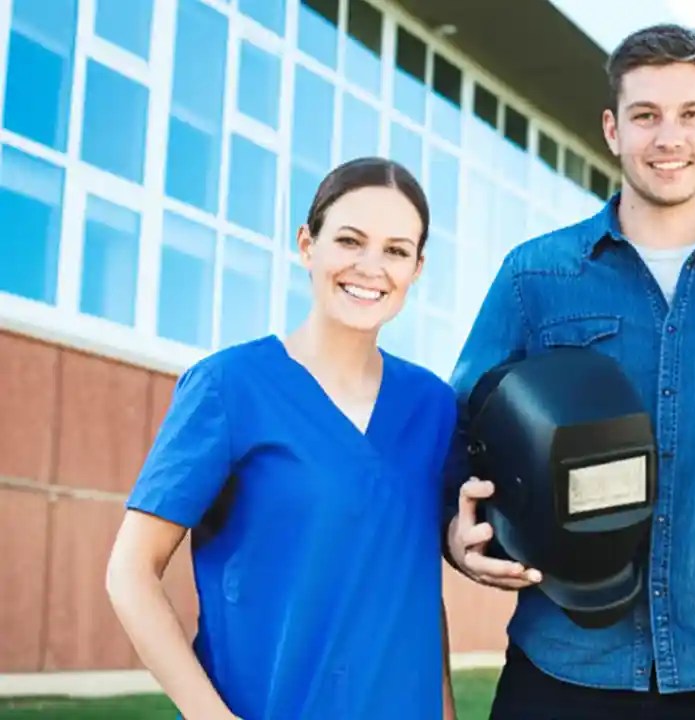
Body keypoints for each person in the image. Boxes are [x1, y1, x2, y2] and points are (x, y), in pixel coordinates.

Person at [443, 23, 695, 720]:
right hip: (561, 663)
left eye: (691, 114)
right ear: (612, 129)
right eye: (646, 116)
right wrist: (461, 534)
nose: (669, 137)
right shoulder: (535, 275)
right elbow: (461, 432)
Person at [105, 157, 458, 720]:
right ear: (306, 244)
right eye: (349, 240)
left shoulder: (433, 406)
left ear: (417, 268)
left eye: (396, 250)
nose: (371, 267)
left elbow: (414, 584)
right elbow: (129, 571)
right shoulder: (229, 387)